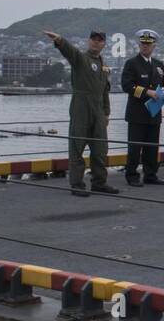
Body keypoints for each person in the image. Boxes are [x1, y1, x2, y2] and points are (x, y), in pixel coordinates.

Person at [43, 27, 119, 195]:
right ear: (88, 41)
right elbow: (71, 52)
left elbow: (105, 92)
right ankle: (77, 185)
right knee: (77, 147)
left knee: (100, 150)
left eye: (100, 40)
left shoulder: (104, 66)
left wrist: (106, 113)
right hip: (81, 109)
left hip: (98, 111)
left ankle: (99, 182)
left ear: (104, 44)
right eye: (94, 39)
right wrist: (60, 40)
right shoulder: (81, 59)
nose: (96, 42)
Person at [120, 29, 164, 186]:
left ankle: (150, 175)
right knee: (135, 148)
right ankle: (132, 175)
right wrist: (147, 92)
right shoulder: (132, 63)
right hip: (137, 113)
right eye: (143, 44)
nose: (145, 46)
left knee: (152, 147)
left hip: (154, 113)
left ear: (154, 46)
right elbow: (127, 86)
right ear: (139, 44)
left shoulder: (158, 65)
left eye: (148, 44)